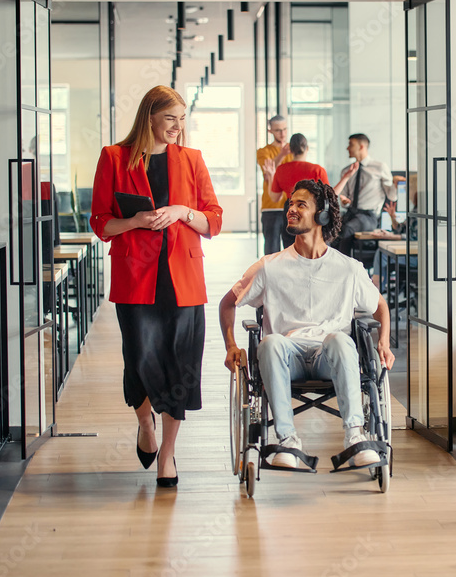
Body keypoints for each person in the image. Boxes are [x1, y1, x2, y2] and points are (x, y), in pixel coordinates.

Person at [90, 85, 223, 488]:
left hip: (184, 281)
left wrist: (185, 211)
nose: (177, 128)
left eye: (182, 119)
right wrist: (135, 222)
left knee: (180, 364)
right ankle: (144, 422)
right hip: (136, 281)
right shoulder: (113, 157)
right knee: (141, 360)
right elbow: (100, 222)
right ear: (149, 116)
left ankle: (167, 452)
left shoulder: (192, 160)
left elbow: (213, 221)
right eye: (170, 119)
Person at [219, 179, 394, 470]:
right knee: (270, 341)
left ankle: (355, 435)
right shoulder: (269, 266)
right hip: (287, 356)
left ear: (322, 215)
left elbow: (381, 307)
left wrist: (384, 342)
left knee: (339, 339)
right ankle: (287, 441)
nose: (291, 209)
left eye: (301, 204)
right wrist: (231, 346)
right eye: (290, 204)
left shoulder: (348, 269)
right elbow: (228, 302)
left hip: (330, 356)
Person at [332, 133, 397, 257]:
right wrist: (344, 201)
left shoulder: (380, 167)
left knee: (347, 229)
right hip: (350, 213)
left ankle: (341, 267)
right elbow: (343, 198)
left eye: (351, 144)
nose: (347, 148)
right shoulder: (346, 171)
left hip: (369, 217)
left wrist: (396, 185)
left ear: (362, 146)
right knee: (330, 229)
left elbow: (392, 197)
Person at [257, 115, 294, 255]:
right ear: (270, 131)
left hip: (291, 206)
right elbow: (268, 174)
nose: (283, 134)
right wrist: (282, 155)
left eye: (285, 129)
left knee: (291, 250)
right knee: (271, 251)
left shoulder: (293, 151)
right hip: (271, 208)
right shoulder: (263, 152)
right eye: (278, 130)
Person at [263, 133, 329, 203]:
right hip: (310, 210)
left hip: (290, 210)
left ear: (290, 150)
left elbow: (274, 198)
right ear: (307, 148)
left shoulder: (281, 169)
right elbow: (328, 195)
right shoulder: (317, 170)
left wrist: (270, 176)